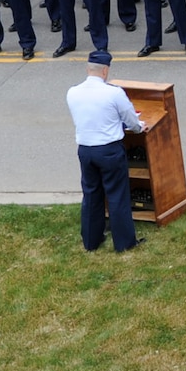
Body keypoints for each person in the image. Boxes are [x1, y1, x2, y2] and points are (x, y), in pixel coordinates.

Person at [69, 51, 145, 253]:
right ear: (105, 70)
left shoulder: (73, 92)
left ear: (88, 69)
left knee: (91, 195)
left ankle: (91, 241)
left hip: (85, 150)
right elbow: (131, 120)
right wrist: (138, 127)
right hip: (109, 150)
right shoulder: (114, 93)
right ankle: (124, 243)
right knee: (117, 195)